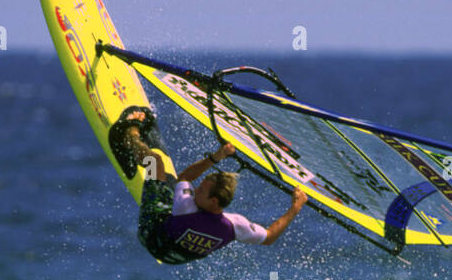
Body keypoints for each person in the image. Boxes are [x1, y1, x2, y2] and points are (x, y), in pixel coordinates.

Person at [111, 108, 308, 265]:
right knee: (170, 181)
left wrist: (216, 157)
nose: (197, 190)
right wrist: (295, 208)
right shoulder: (235, 225)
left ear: (214, 201)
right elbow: (270, 237)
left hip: (151, 232)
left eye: (202, 190)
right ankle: (146, 143)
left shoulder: (186, 206)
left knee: (154, 163)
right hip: (174, 258)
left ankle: (129, 133)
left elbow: (185, 177)